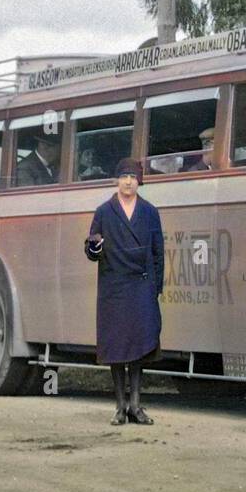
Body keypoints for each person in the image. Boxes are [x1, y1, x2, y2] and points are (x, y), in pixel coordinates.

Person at [85, 157, 165, 425]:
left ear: (139, 181)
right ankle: (120, 407)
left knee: (139, 348)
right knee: (116, 348)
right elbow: (91, 249)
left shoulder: (150, 212)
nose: (128, 181)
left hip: (141, 288)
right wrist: (94, 247)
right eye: (124, 176)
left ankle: (136, 406)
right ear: (116, 180)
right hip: (114, 288)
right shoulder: (103, 212)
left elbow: (158, 253)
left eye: (133, 177)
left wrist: (155, 288)